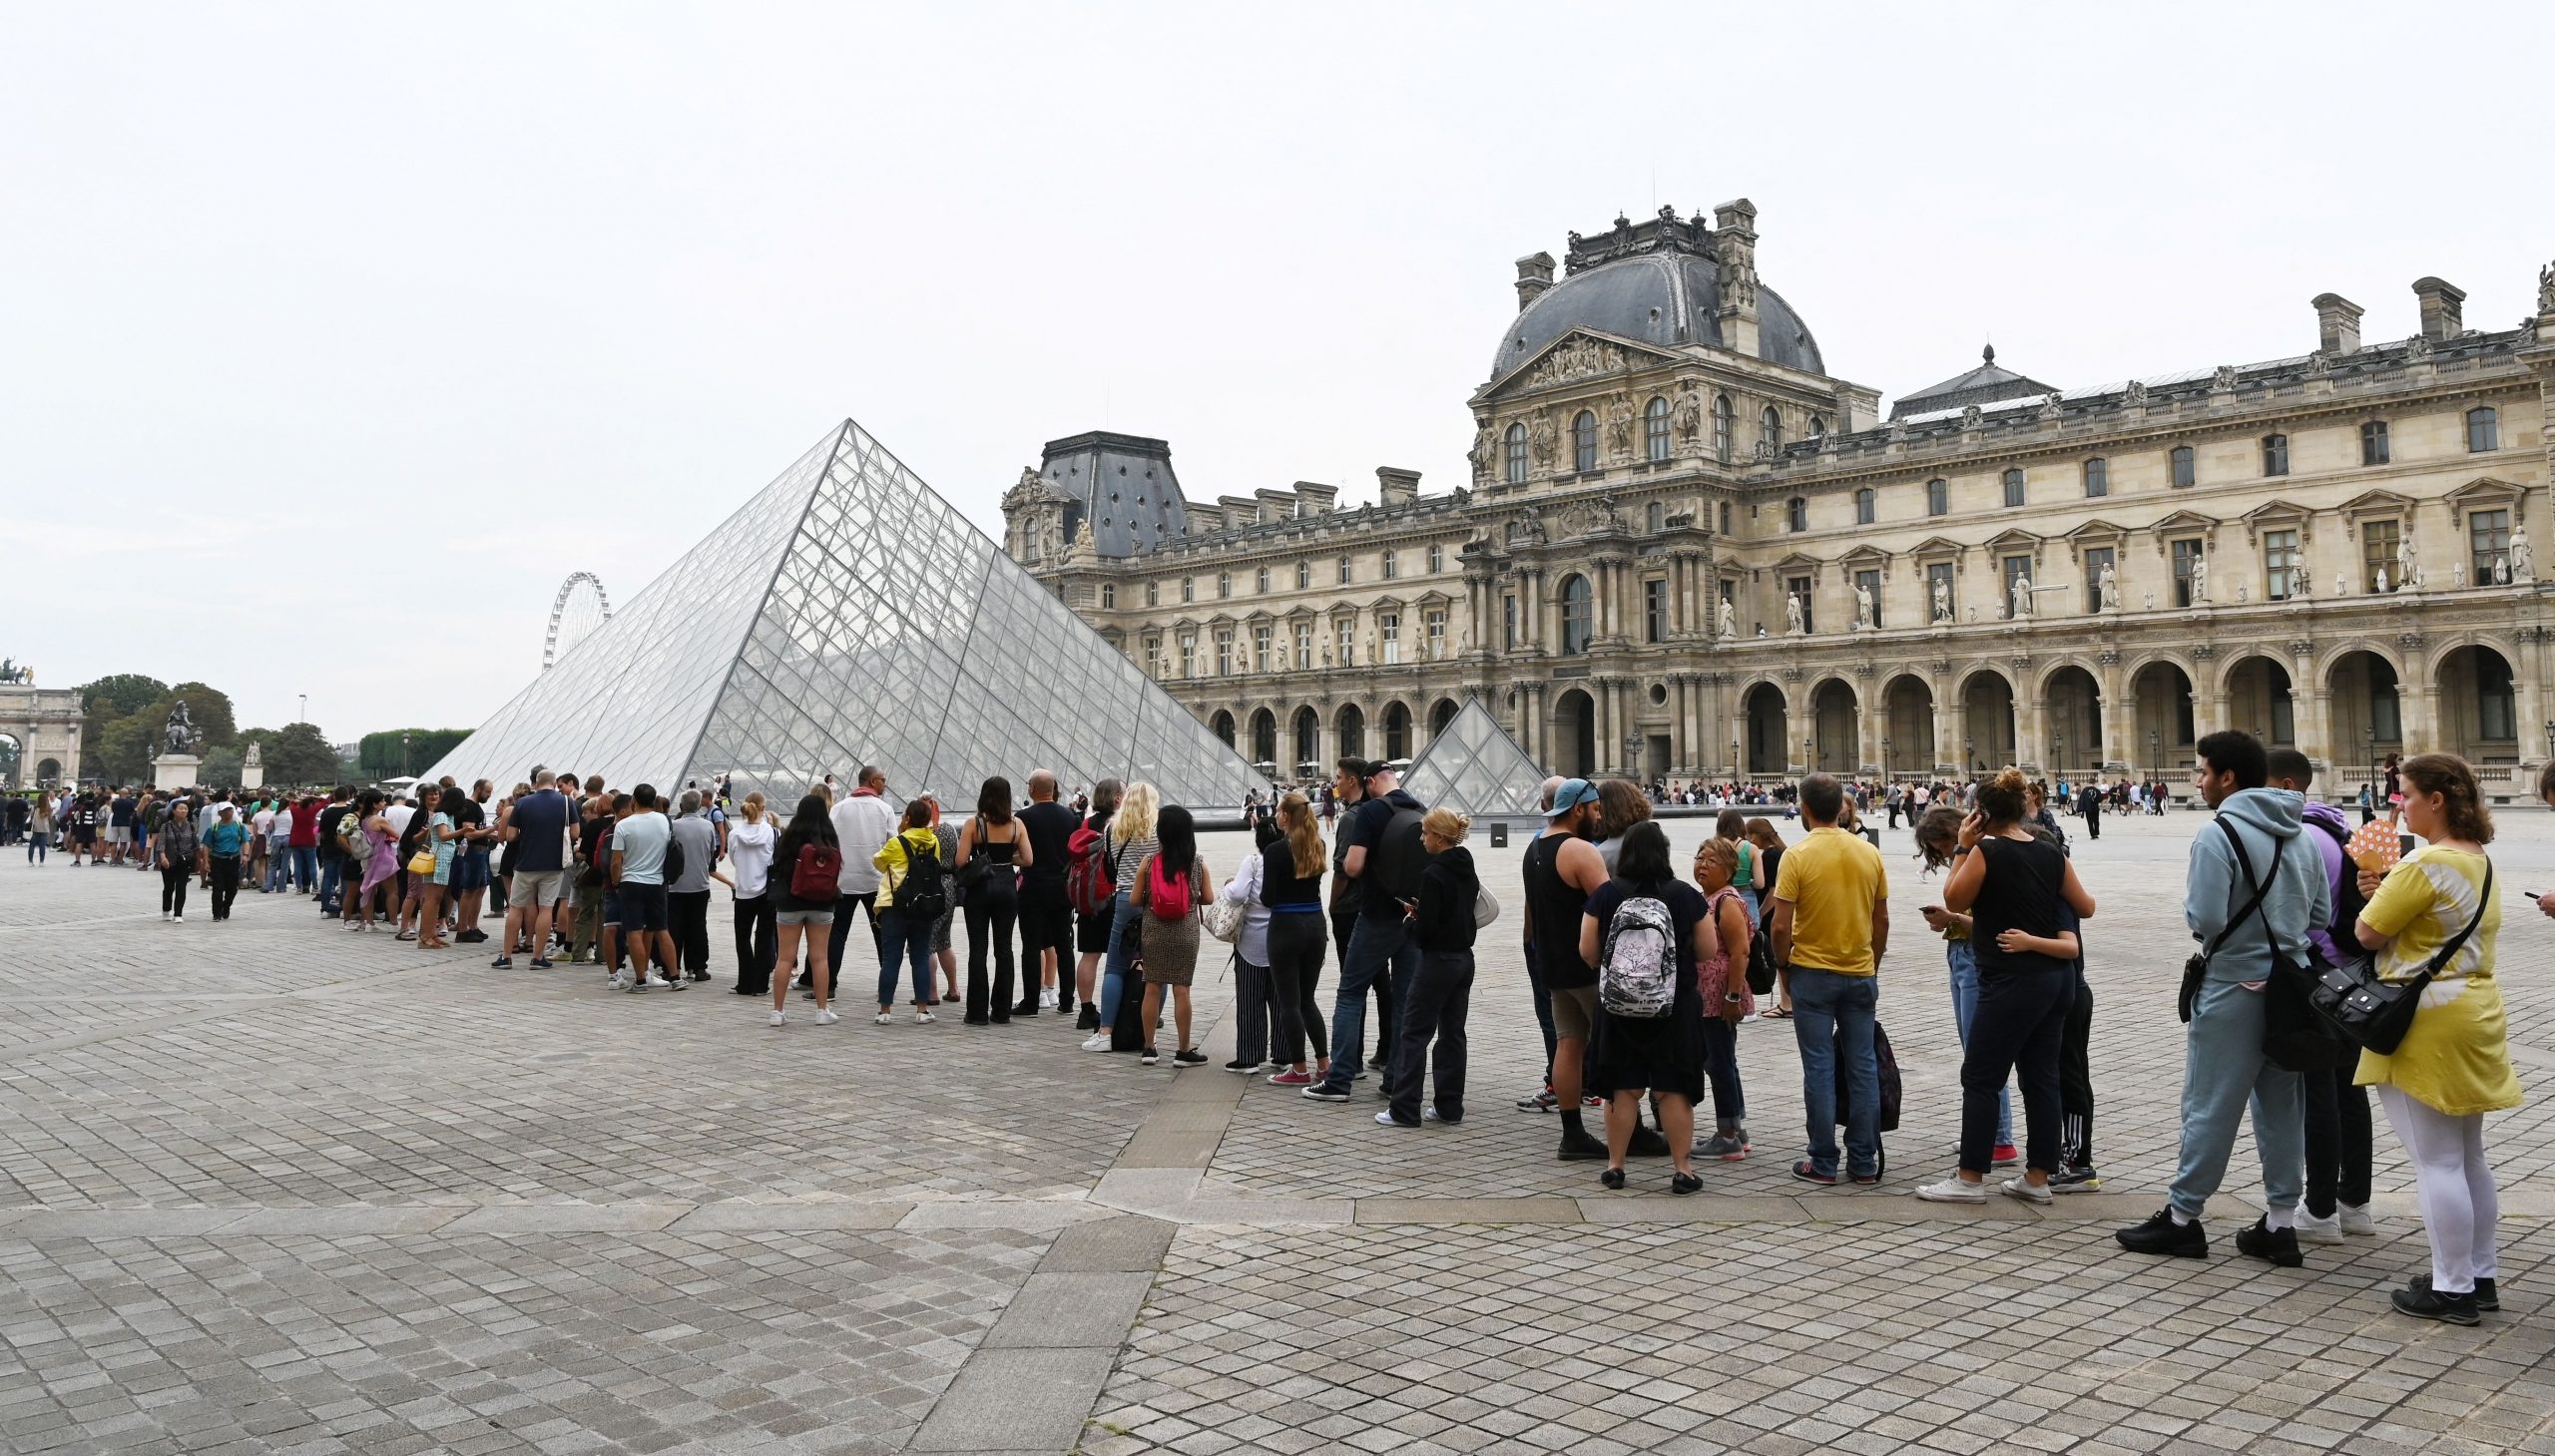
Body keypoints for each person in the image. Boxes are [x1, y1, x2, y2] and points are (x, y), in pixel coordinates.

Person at [2117, 729, 2325, 1264]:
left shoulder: (2219, 834)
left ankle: (2184, 1217)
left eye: (2203, 771)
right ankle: (2280, 1224)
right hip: (2292, 988)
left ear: (2227, 777)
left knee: (2209, 1104)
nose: (2199, 781)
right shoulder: (2301, 834)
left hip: (2234, 984)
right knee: (2282, 1106)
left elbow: (2205, 918)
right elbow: (2322, 918)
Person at [2352, 753, 2517, 1325]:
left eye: (2406, 795)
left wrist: (2372, 890)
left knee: (2436, 1162)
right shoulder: (2479, 861)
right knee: (2469, 1156)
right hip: (2474, 1010)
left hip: (2422, 1018)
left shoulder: (2423, 865)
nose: (2401, 804)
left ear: (2437, 800)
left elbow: (2368, 932)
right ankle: (2480, 1272)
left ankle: (2452, 1289)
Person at [1914, 769, 2096, 1205]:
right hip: (2056, 982)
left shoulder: (1987, 851)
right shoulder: (2052, 852)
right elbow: (2085, 907)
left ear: (1980, 814)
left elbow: (1955, 899)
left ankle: (1970, 1178)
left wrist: (1963, 845)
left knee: (1980, 1076)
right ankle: (2037, 1179)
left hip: (2010, 980)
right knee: (2041, 1078)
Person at [2268, 747, 2377, 1244]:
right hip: (2349, 973)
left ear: (2288, 787)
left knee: (2320, 1095)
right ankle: (2355, 1204)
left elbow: (2300, 916)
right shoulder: (2337, 829)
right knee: (2350, 1093)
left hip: (2318, 974)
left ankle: (2320, 1210)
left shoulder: (2302, 837)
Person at [1772, 772, 1889, 1186]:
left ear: (1803, 808)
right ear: (1841, 807)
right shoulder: (1868, 853)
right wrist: (1870, 961)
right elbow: (1882, 920)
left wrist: (1783, 966)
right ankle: (1862, 1162)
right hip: (1859, 973)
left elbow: (1781, 926)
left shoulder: (1797, 856)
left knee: (1819, 1067)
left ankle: (1822, 1161)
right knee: (1863, 1066)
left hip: (1813, 974)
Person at [1579, 820, 1707, 1193]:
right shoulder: (1684, 895)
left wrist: (1621, 972)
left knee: (1622, 1088)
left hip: (1619, 1008)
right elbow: (1709, 950)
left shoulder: (1605, 894)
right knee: (1672, 1089)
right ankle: (1683, 1169)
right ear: (1664, 853)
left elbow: (1587, 950)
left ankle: (1616, 1166)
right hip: (1674, 1005)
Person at [1301, 760, 1426, 1103]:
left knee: (1351, 991)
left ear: (1370, 782)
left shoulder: (1371, 812)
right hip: (1412, 915)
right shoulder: (1419, 808)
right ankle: (1395, 1079)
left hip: (1376, 915)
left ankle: (1339, 1080)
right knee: (1404, 999)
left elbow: (1353, 866)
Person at [1520, 778, 1631, 1160]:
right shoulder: (1580, 850)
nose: (1600, 817)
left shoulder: (1534, 846)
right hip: (1588, 966)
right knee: (1615, 1046)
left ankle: (1573, 1135)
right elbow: (1610, 909)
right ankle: (1629, 1131)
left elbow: (1531, 913)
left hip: (1552, 964)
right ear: (1578, 808)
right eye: (1596, 809)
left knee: (1568, 1044)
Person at [1913, 807, 2018, 1169]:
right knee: (1974, 1051)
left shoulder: (1983, 857)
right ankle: (1990, 1133)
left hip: (1976, 959)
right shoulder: (1969, 858)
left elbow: (1995, 926)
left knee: (1981, 1054)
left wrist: (1953, 918)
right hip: (1960, 955)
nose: (1941, 853)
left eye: (1942, 844)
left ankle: (2000, 1139)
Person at [1381, 807, 1479, 1128]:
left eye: (1425, 833)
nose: (1422, 839)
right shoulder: (1466, 865)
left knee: (1414, 1033)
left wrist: (1411, 920)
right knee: (1453, 1034)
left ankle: (1404, 1109)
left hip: (1437, 961)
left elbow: (1425, 932)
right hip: (1464, 959)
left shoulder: (1433, 874)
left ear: (1439, 837)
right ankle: (1450, 1107)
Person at [1238, 789, 1327, 1086]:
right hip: (1315, 924)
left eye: (1277, 811)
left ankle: (1299, 1069)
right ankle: (1324, 1064)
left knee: (1289, 1002)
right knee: (1308, 1000)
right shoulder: (1319, 845)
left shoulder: (1275, 851)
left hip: (1286, 928)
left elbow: (1268, 897)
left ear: (1286, 816)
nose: (1274, 815)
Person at [1130, 803, 1213, 1067]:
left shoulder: (1149, 862)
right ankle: (1183, 1050)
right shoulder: (1197, 863)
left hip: (1154, 929)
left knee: (1152, 987)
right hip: (1185, 930)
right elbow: (1208, 898)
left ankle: (1149, 1048)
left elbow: (1134, 899)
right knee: (1182, 989)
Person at [1690, 835, 1753, 1160]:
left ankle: (1727, 1136)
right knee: (1723, 1062)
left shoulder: (1726, 901)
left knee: (1718, 1064)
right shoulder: (1711, 897)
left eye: (1711, 861)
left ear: (1729, 869)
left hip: (1720, 997)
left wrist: (1731, 996)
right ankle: (1736, 1129)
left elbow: (1740, 952)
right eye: (1700, 858)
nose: (1702, 865)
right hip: (1710, 995)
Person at [1085, 780, 1160, 1051]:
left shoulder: (1112, 830)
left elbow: (1108, 868)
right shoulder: (1158, 832)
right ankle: (1149, 1034)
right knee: (1156, 970)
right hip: (1155, 903)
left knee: (1115, 968)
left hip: (1125, 899)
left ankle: (1105, 1033)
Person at [956, 775, 1030, 1025]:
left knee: (978, 949)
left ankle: (977, 1013)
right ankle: (1001, 1011)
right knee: (1004, 949)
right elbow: (1028, 860)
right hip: (1007, 887)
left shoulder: (973, 824)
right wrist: (1009, 860)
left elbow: (960, 861)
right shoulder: (1017, 825)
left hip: (979, 889)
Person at [826, 765, 897, 1001]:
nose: (885, 784)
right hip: (875, 881)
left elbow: (829, 842)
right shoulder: (884, 809)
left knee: (837, 934)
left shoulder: (839, 808)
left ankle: (829, 986)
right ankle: (885, 988)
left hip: (844, 880)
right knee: (882, 936)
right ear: (873, 781)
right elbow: (893, 846)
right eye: (883, 779)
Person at [767, 793, 838, 1026]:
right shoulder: (829, 838)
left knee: (785, 958)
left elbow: (776, 866)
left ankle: (778, 1012)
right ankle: (822, 1011)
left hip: (790, 902)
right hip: (823, 902)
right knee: (820, 958)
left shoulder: (788, 836)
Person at [1014, 769, 1079, 1016]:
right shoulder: (1070, 816)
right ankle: (1067, 1000)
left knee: (1030, 945)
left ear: (1032, 789)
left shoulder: (1023, 817)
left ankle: (1031, 1001)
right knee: (1064, 944)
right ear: (1053, 789)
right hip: (1062, 888)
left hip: (1032, 887)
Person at [873, 799, 944, 1024]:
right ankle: (922, 1010)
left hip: (895, 905)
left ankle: (885, 1011)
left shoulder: (897, 842)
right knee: (920, 957)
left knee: (891, 958)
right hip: (923, 905)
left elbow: (877, 862)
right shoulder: (934, 842)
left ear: (907, 818)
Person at [493, 769, 571, 971]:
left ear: (536, 783)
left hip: (525, 863)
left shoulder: (522, 803)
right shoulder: (566, 802)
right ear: (554, 783)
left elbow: (510, 836)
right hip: (554, 864)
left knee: (516, 907)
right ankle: (537, 957)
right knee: (545, 908)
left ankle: (506, 956)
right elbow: (576, 832)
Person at [609, 784, 684, 992]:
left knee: (633, 931)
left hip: (631, 882)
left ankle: (641, 980)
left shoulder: (623, 825)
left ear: (634, 800)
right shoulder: (665, 821)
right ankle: (675, 976)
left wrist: (616, 881)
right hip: (657, 882)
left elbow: (616, 861)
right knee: (661, 930)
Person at [1072, 778, 1122, 1028]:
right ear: (1116, 799)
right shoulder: (1121, 824)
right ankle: (1127, 1008)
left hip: (1090, 899)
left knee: (1089, 955)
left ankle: (1086, 1010)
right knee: (1121, 958)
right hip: (1115, 896)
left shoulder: (1088, 822)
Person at [666, 790, 719, 982]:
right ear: (699, 806)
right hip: (700, 884)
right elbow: (711, 851)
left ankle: (672, 967)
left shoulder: (672, 826)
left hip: (675, 885)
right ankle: (698, 967)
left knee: (674, 928)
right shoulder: (708, 826)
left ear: (681, 807)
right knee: (698, 927)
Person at [1746, 818, 1790, 1017]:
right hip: (1781, 911)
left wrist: (1761, 913)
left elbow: (1773, 891)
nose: (1748, 840)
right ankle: (1786, 1002)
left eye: (1749, 835)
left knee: (1778, 957)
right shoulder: (1779, 852)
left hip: (1772, 913)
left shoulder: (1770, 856)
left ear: (1757, 835)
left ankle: (1787, 1004)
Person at [201, 801, 250, 920]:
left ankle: (226, 906)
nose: (230, 812)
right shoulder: (214, 827)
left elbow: (245, 841)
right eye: (226, 810)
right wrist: (206, 861)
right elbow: (206, 845)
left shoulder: (239, 825)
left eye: (231, 810)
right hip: (218, 859)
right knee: (218, 887)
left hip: (233, 859)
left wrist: (246, 855)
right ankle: (216, 913)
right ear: (220, 813)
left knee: (232, 888)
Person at [155, 799, 199, 921]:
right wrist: (163, 857)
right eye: (180, 808)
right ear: (173, 810)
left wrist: (198, 860)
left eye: (185, 808)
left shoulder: (191, 825)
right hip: (169, 861)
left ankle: (178, 914)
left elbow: (195, 844)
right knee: (169, 887)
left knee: (181, 887)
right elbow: (161, 844)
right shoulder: (166, 826)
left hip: (185, 861)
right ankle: (166, 910)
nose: (183, 810)